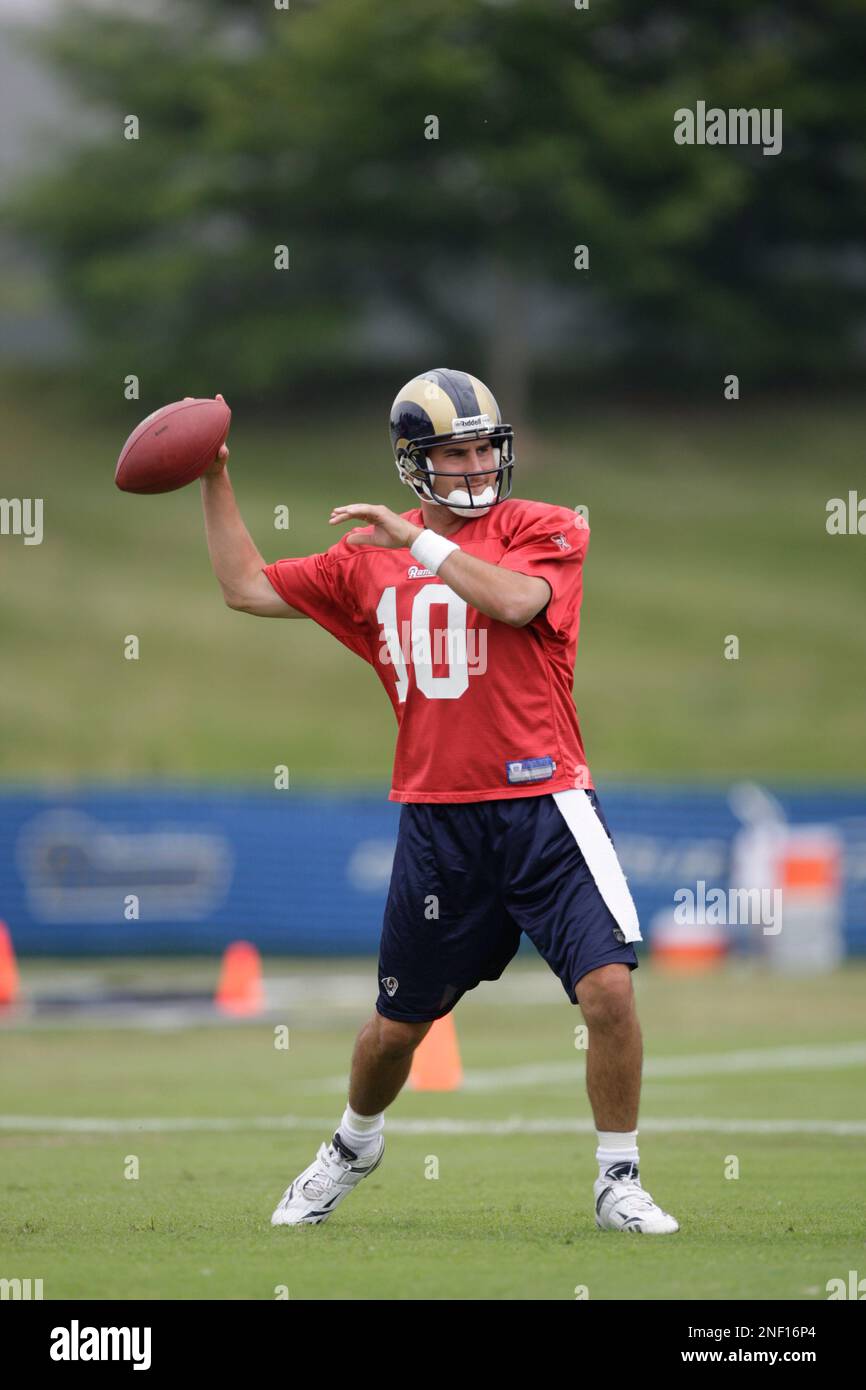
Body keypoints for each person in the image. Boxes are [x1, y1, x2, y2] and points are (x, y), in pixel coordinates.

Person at [199, 368, 679, 1235]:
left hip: (546, 803)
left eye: (481, 448)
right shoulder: (365, 560)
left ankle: (618, 1179)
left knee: (609, 990)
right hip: (438, 817)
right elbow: (246, 586)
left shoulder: (544, 526)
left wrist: (415, 545)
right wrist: (212, 474)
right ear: (413, 461)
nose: (472, 467)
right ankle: (353, 1145)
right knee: (394, 1031)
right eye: (452, 452)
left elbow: (515, 598)